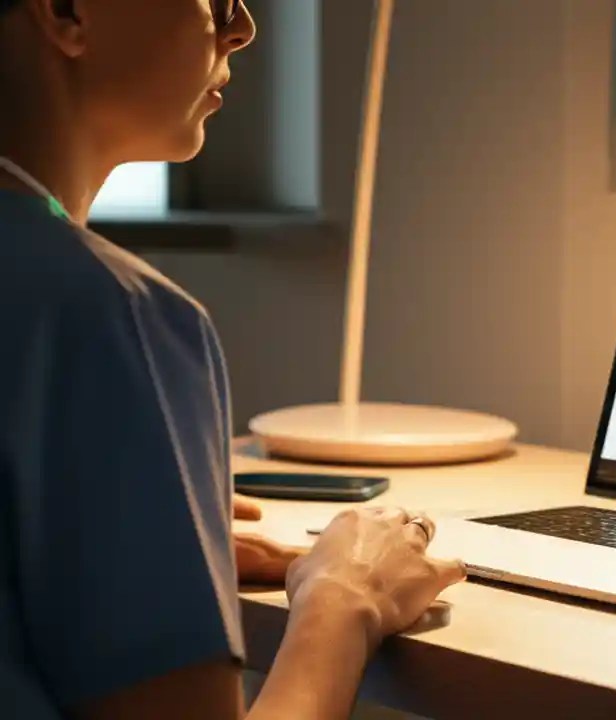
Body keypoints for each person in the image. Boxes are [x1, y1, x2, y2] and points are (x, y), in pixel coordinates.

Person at [0, 2, 465, 718]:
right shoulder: (107, 312)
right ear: (67, 11)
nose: (242, 25)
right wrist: (344, 600)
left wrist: (132, 529)